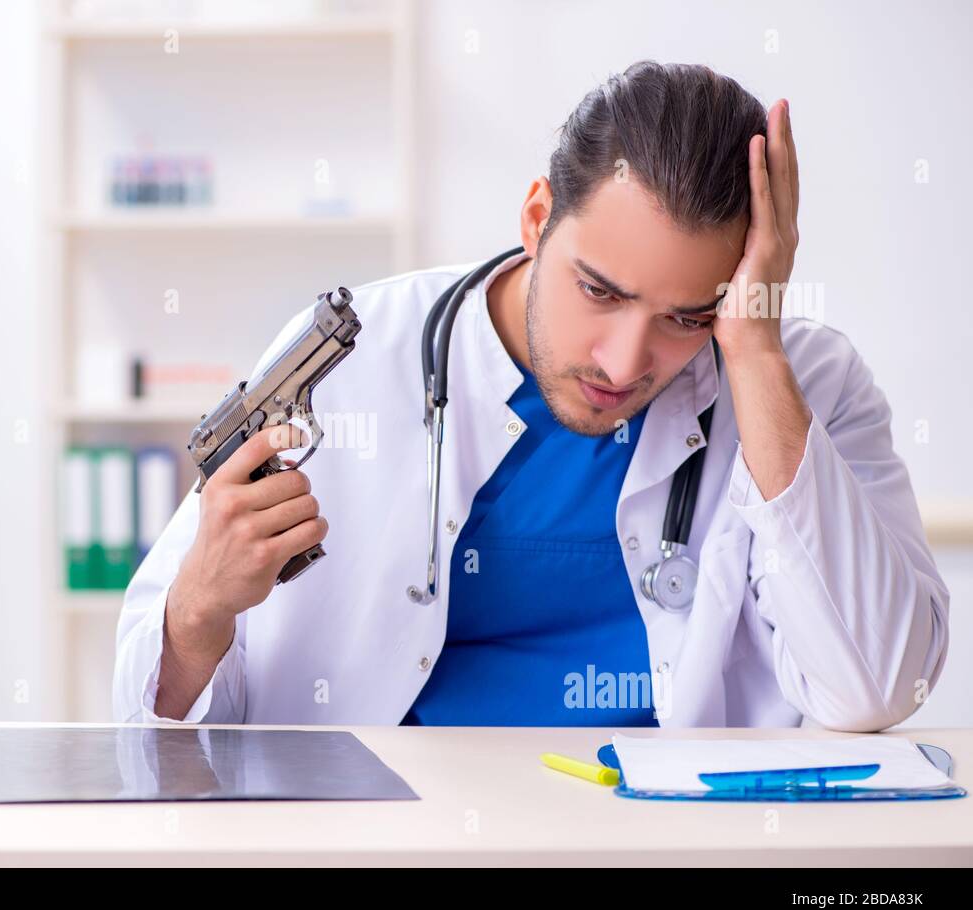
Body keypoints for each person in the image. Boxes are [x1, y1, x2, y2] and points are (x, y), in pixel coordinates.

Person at [113, 61, 949, 731]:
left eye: (686, 316)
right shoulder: (351, 357)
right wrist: (197, 611)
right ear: (537, 215)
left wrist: (755, 348)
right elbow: (151, 725)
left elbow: (878, 684)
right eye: (601, 291)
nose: (624, 361)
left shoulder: (803, 384)